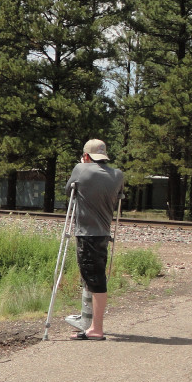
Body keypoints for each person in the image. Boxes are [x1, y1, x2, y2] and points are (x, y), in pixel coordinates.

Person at [64, 139, 124, 341]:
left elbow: (68, 192)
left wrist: (82, 165)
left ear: (86, 156)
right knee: (95, 277)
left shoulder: (81, 169)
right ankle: (88, 320)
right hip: (103, 233)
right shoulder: (118, 174)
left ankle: (96, 328)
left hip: (87, 234)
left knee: (95, 281)